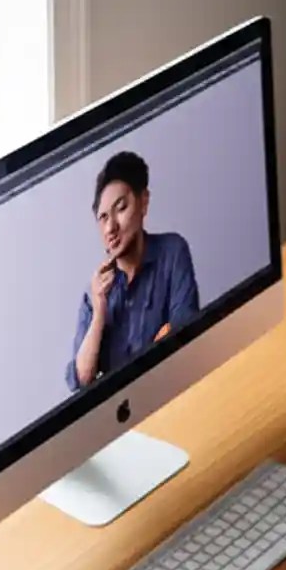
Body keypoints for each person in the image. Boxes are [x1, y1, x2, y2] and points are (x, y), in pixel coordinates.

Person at [65, 151, 200, 392]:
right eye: (103, 217)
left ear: (143, 202)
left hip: (171, 393)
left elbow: (184, 331)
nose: (110, 227)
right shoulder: (95, 292)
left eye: (121, 208)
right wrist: (99, 312)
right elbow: (81, 378)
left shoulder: (172, 252)